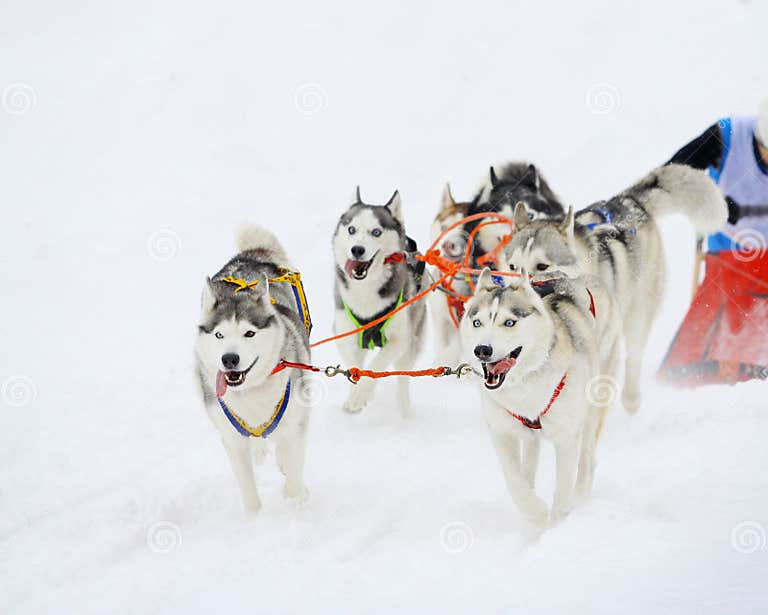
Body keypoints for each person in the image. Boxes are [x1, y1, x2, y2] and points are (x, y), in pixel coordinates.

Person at [667, 98, 768, 251]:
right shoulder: (727, 134)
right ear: (758, 138)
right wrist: (712, 202)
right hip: (729, 252)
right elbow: (672, 176)